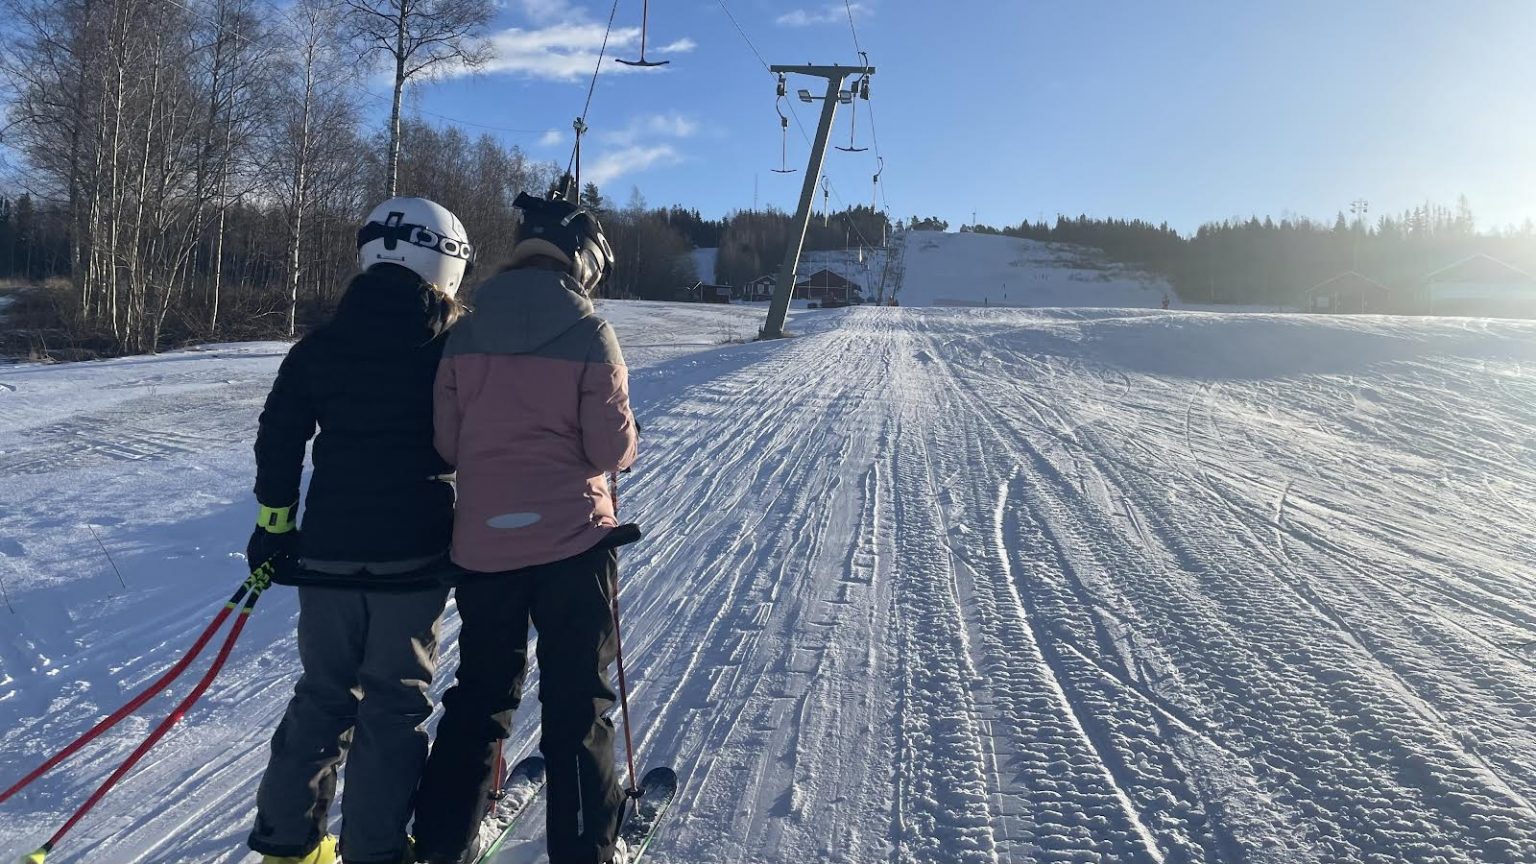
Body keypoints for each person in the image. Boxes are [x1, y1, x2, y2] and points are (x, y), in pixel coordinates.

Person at [244, 197, 474, 864]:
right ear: (445, 261)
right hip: (415, 555)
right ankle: (374, 851)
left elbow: (279, 435)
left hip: (329, 555)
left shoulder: (323, 344)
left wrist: (274, 526)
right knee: (394, 705)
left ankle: (287, 845)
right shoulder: (451, 345)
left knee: (322, 694)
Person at [412, 189, 638, 864]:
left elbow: (447, 448)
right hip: (573, 544)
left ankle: (442, 843)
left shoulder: (466, 331)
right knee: (578, 708)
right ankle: (584, 852)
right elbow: (609, 451)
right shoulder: (591, 331)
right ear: (583, 261)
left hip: (484, 549)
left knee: (481, 694)